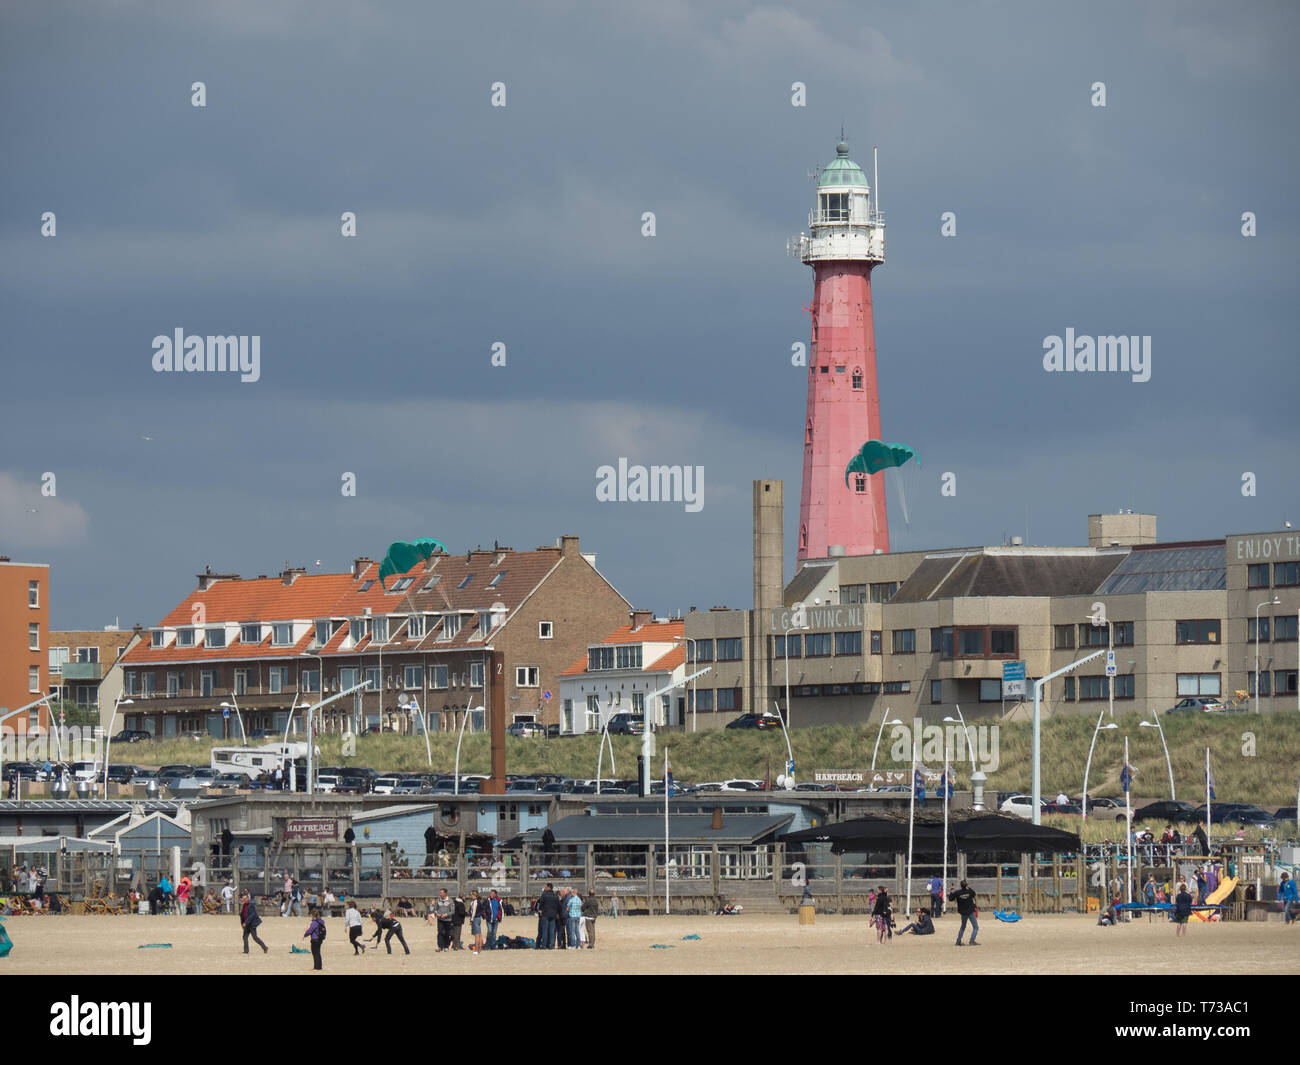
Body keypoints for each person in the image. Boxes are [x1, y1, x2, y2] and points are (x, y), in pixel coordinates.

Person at [951, 878, 979, 946]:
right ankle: (972, 941)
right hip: (970, 911)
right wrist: (968, 887)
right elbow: (974, 894)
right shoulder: (969, 891)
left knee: (963, 927)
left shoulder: (957, 892)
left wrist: (951, 890)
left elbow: (950, 898)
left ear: (961, 886)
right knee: (976, 927)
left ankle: (958, 941)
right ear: (966, 885)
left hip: (963, 912)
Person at [535, 883, 560, 949]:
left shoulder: (544, 895)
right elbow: (558, 905)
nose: (545, 888)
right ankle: (551, 945)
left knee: (545, 930)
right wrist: (557, 913)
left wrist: (540, 911)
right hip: (553, 915)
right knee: (552, 931)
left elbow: (541, 904)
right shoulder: (555, 895)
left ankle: (544, 945)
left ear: (548, 887)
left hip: (545, 914)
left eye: (545, 887)